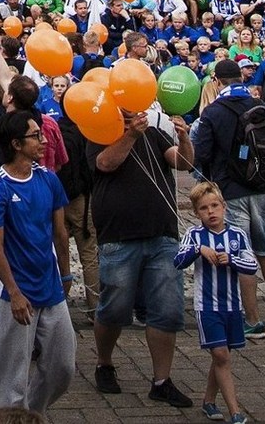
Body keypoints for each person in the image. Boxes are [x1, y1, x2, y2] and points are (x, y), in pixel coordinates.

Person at [87, 98, 197, 405]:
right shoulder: (98, 133)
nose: (134, 112)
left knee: (167, 309)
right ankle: (104, 363)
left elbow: (184, 163)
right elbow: (105, 163)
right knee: (114, 308)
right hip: (119, 236)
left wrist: (185, 138)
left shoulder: (153, 133)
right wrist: (130, 135)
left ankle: (161, 380)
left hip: (162, 234)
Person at [0, 113, 74, 414]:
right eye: (36, 135)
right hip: (13, 293)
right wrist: (14, 292)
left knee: (63, 366)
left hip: (50, 287)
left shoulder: (48, 178)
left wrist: (66, 274)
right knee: (12, 380)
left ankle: (31, 415)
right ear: (17, 144)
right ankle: (13, 418)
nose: (44, 140)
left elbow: (60, 231)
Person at [190, 58, 265, 337]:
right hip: (261, 187)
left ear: (217, 81)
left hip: (230, 190)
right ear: (241, 78)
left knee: (242, 255)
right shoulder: (261, 106)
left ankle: (253, 319)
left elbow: (202, 155)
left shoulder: (214, 111)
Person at [175, 182, 259, 424]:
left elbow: (251, 266)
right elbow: (178, 261)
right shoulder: (194, 235)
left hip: (233, 306)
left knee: (221, 355)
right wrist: (198, 250)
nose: (210, 212)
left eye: (214, 206)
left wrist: (230, 260)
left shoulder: (237, 235)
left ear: (224, 207)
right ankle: (236, 412)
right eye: (204, 208)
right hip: (207, 306)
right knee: (221, 355)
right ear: (196, 212)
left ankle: (209, 401)